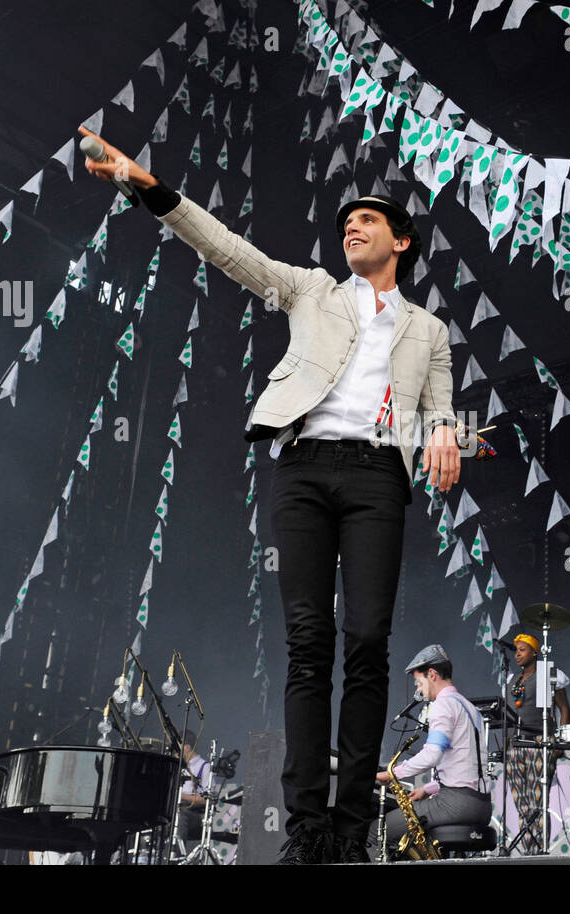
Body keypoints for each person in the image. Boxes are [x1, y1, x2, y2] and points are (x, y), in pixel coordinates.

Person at [80, 127, 461, 865]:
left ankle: (352, 832)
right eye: (347, 221)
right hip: (305, 470)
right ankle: (307, 830)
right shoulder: (313, 289)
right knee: (309, 646)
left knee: (370, 645)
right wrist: (142, 182)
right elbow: (226, 247)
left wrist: (446, 432)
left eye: (370, 221)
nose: (352, 226)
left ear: (402, 243)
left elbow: (441, 407)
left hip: (381, 476)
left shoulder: (429, 329)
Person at [375, 645, 490, 857]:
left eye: (419, 682)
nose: (419, 690)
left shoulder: (442, 705)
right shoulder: (470, 708)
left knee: (378, 830)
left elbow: (432, 755)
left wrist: (391, 774)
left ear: (432, 675)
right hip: (481, 806)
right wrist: (427, 789)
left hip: (456, 804)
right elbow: (466, 767)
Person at [503, 633, 570, 853]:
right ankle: (528, 851)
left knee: (538, 802)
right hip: (516, 746)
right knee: (521, 804)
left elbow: (564, 709)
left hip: (541, 742)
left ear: (535, 652)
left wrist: (558, 742)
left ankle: (540, 851)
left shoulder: (548, 674)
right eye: (516, 650)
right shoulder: (512, 680)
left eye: (522, 650)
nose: (517, 655)